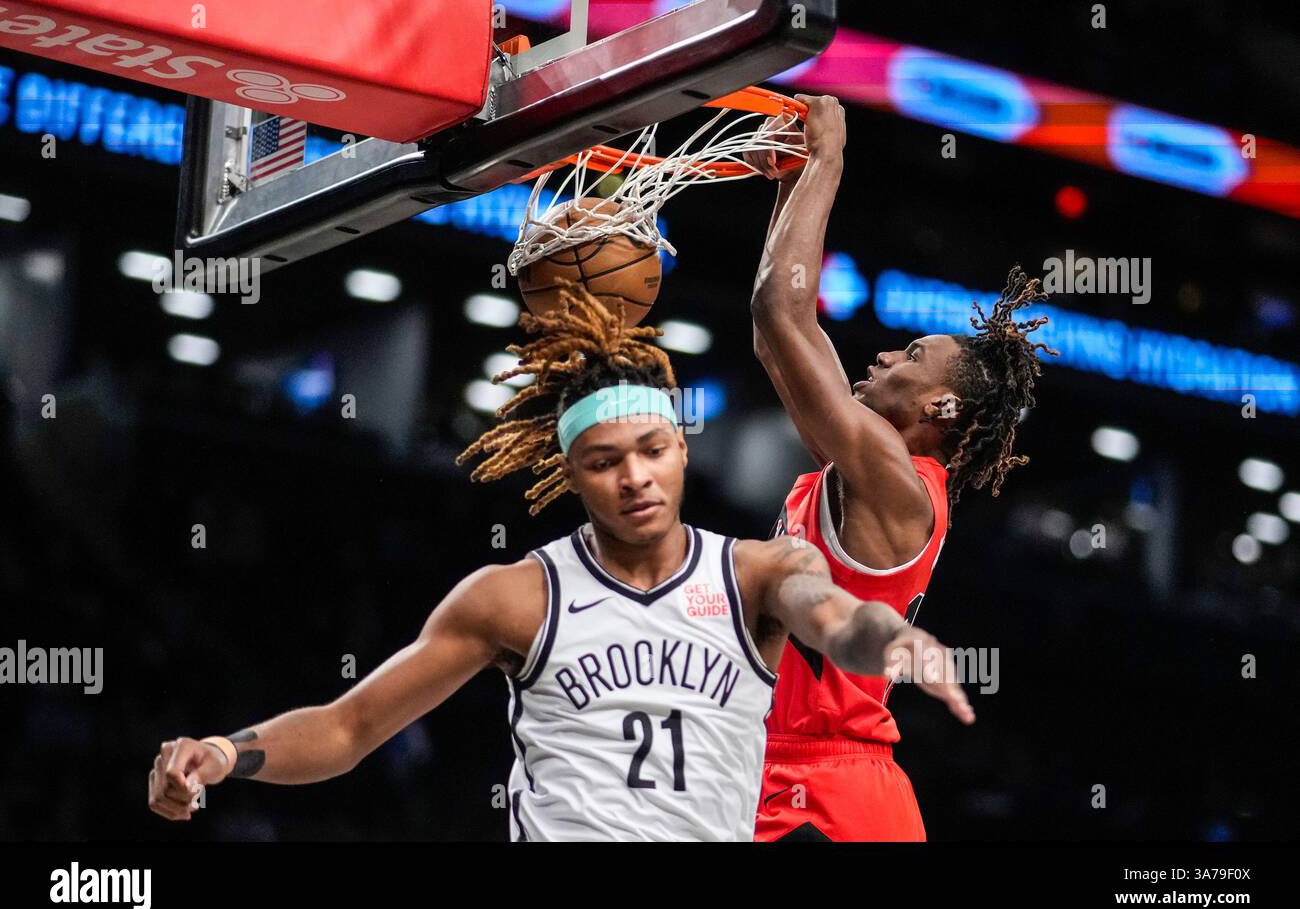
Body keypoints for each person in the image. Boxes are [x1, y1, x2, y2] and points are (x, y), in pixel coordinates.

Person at [147, 280, 972, 841]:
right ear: (571, 475)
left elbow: (836, 619)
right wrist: (224, 753)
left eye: (652, 449)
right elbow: (350, 726)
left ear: (682, 449)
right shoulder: (515, 598)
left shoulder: (759, 572)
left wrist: (891, 639)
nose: (635, 477)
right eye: (605, 461)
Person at [747, 95, 1056, 841]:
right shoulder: (862, 471)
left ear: (943, 409)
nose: (884, 355)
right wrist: (790, 183)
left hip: (830, 788)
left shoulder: (895, 479)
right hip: (789, 767)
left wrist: (828, 158)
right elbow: (779, 336)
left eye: (911, 356)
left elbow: (780, 314)